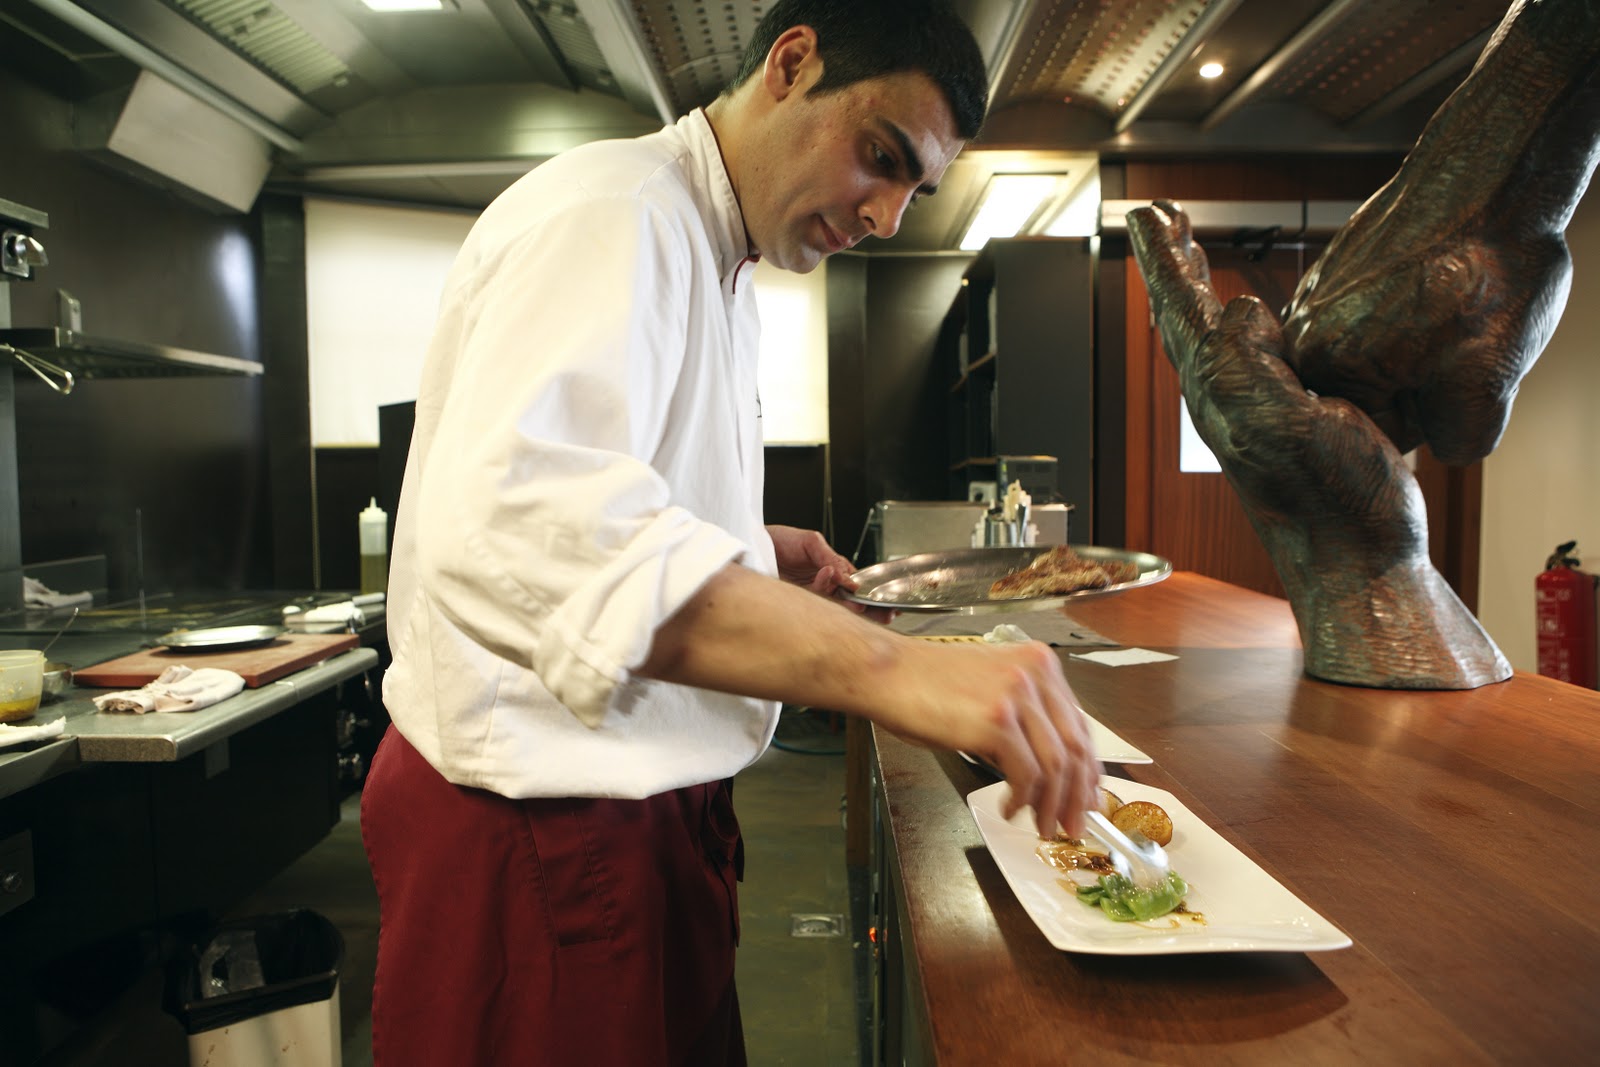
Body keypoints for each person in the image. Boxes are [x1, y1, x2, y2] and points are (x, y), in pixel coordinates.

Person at [361, 2, 1100, 1063]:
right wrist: (895, 669)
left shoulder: (719, 254)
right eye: (881, 156)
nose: (887, 215)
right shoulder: (616, 212)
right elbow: (517, 528)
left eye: (915, 190)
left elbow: (616, 492)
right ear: (792, 63)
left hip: (641, 816)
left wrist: (744, 543)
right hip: (539, 832)